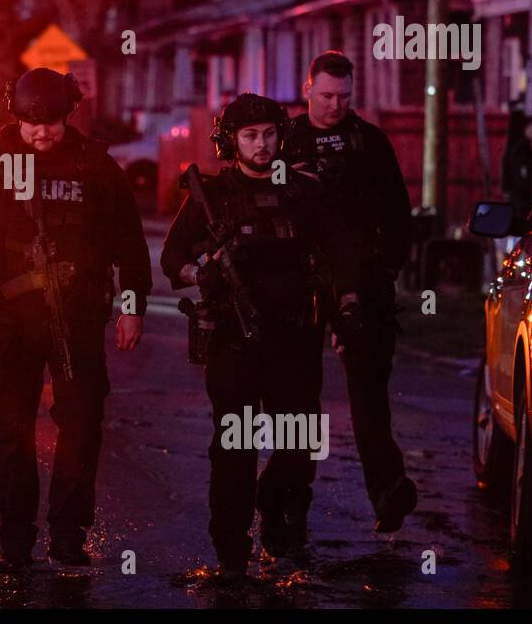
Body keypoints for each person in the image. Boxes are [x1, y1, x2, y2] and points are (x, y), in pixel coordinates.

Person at [0, 68, 150, 572]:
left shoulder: (95, 164)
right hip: (10, 317)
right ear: (16, 117)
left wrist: (133, 304)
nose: (43, 133)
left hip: (77, 317)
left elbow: (130, 244)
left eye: (52, 122)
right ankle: (14, 537)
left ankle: (69, 534)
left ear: (67, 115)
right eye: (33, 124)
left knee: (81, 425)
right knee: (12, 428)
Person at [161, 93, 360, 579]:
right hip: (233, 342)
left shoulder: (305, 192)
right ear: (231, 141)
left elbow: (339, 257)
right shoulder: (211, 196)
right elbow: (172, 262)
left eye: (270, 133)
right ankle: (231, 553)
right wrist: (200, 271)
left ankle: (275, 516)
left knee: (296, 449)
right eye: (250, 135)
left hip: (294, 340)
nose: (261, 144)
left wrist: (348, 308)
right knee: (234, 448)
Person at [282, 50, 417, 532]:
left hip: (364, 284)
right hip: (298, 284)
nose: (335, 105)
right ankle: (290, 507)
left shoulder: (369, 143)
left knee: (368, 394)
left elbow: (399, 217)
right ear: (307, 89)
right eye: (326, 96)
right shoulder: (284, 141)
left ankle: (388, 492)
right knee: (298, 399)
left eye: (343, 97)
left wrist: (379, 278)